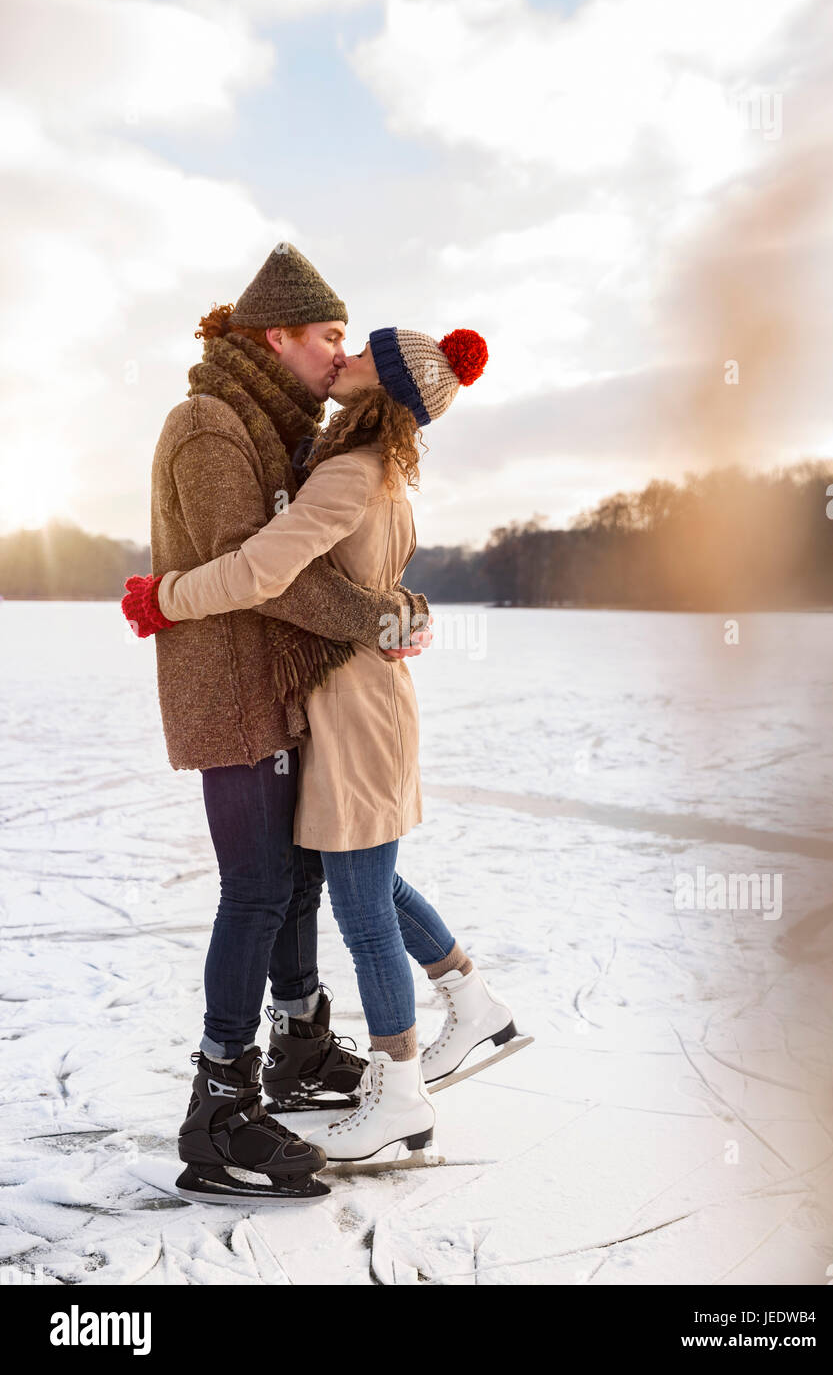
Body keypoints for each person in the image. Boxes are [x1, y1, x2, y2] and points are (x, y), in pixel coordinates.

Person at [123, 322, 533, 1178]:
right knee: (364, 879)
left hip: (353, 716)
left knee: (361, 907)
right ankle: (469, 994)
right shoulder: (376, 468)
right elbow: (375, 586)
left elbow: (263, 570)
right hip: (360, 708)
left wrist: (167, 596)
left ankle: (400, 1092)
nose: (339, 360)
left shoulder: (350, 470)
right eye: (335, 343)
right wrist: (399, 612)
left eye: (358, 355)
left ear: (382, 387)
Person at [123, 243, 432, 1203]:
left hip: (281, 688)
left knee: (296, 878)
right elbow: (257, 577)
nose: (337, 355)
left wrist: (399, 606)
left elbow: (319, 562)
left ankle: (297, 1047)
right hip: (231, 692)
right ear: (278, 337)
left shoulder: (287, 429)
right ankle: (219, 1105)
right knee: (256, 890)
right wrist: (379, 621)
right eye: (329, 336)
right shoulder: (212, 425)